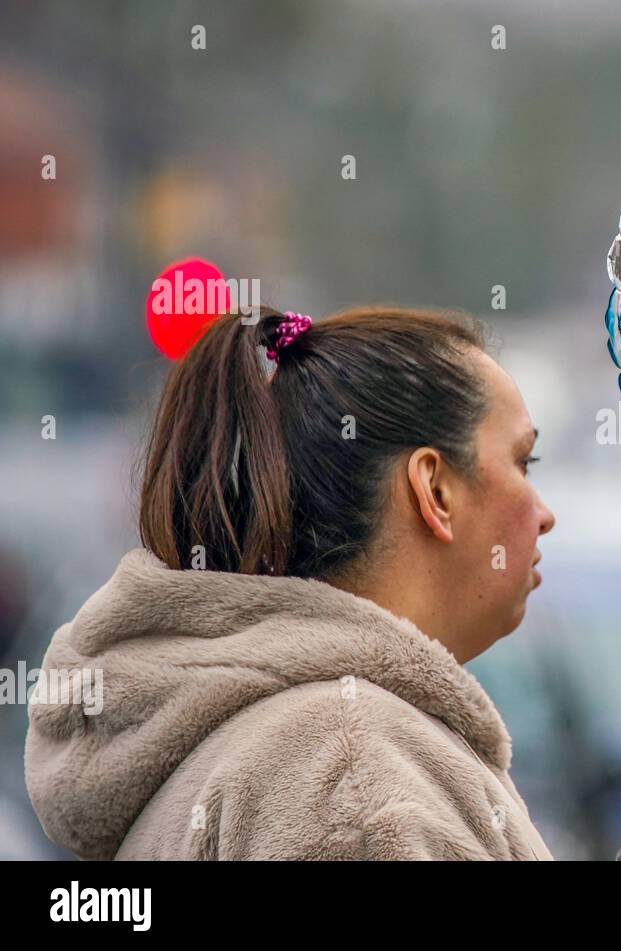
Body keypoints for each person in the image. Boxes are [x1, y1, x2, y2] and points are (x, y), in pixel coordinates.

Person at [24, 305, 557, 859]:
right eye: (524, 460)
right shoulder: (350, 779)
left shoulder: (316, 752)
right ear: (435, 490)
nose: (544, 514)